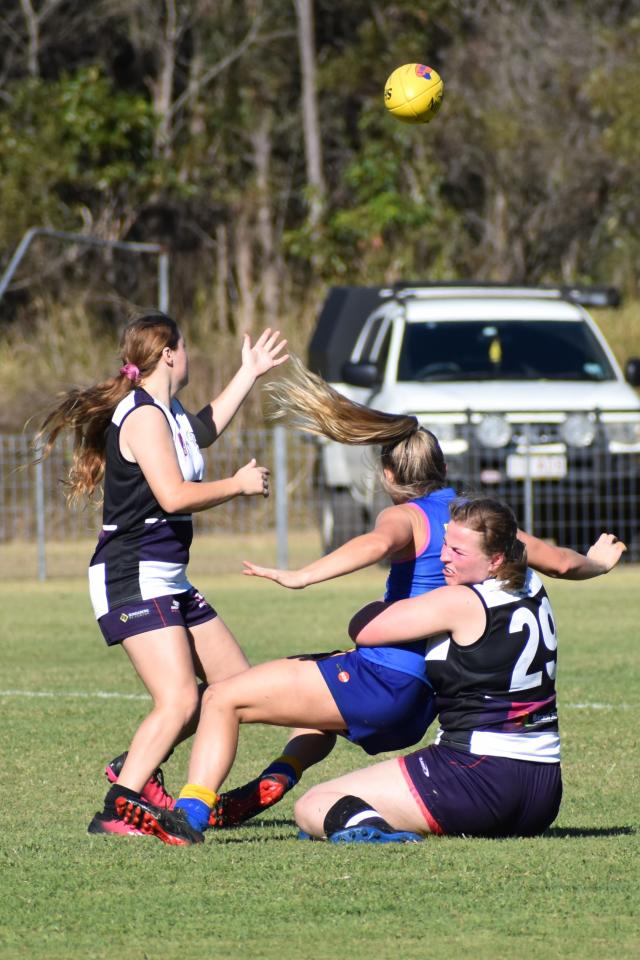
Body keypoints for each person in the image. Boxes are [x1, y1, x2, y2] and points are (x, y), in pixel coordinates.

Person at [109, 365, 624, 844]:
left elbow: (376, 546)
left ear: (389, 476)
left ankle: (191, 813)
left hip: (385, 678)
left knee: (222, 697)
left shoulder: (409, 517)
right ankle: (277, 776)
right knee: (317, 705)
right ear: (444, 468)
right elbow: (556, 560)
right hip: (427, 702)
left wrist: (303, 574)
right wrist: (597, 564)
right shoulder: (475, 521)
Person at [37, 313, 288, 838]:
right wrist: (237, 485)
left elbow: (204, 429)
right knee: (179, 700)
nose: (190, 353)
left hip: (166, 576)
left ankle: (138, 762)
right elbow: (173, 495)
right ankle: (118, 807)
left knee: (234, 688)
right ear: (170, 354)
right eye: (187, 345)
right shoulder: (144, 417)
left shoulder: (166, 412)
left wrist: (250, 373)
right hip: (132, 573)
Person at [291, 496, 598, 843]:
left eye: (458, 552)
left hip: (478, 776)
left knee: (314, 804)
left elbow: (362, 628)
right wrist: (599, 562)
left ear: (496, 559)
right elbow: (563, 563)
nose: (443, 558)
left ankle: (377, 835)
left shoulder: (459, 602)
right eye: (445, 545)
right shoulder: (530, 582)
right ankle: (368, 822)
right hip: (542, 792)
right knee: (331, 813)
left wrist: (393, 597)